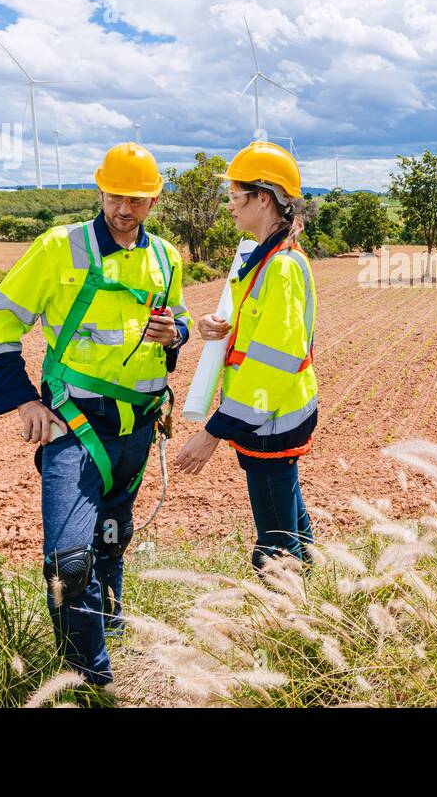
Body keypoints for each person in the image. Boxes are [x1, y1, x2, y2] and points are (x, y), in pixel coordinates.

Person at [0, 142, 190, 688]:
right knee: (70, 561)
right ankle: (90, 684)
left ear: (154, 200)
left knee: (112, 538)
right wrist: (23, 399)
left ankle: (110, 635)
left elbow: (177, 322)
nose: (125, 208)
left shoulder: (166, 257)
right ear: (100, 190)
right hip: (75, 426)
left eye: (138, 199)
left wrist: (176, 335)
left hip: (138, 428)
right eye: (116, 195)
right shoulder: (57, 249)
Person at [172, 140, 318, 575]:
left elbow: (274, 360)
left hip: (272, 417)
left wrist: (213, 432)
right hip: (265, 415)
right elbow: (258, 328)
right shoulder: (263, 258)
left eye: (236, 197)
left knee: (273, 548)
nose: (231, 206)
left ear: (264, 199)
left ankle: (286, 628)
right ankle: (316, 591)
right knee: (290, 516)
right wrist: (218, 327)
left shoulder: (282, 267)